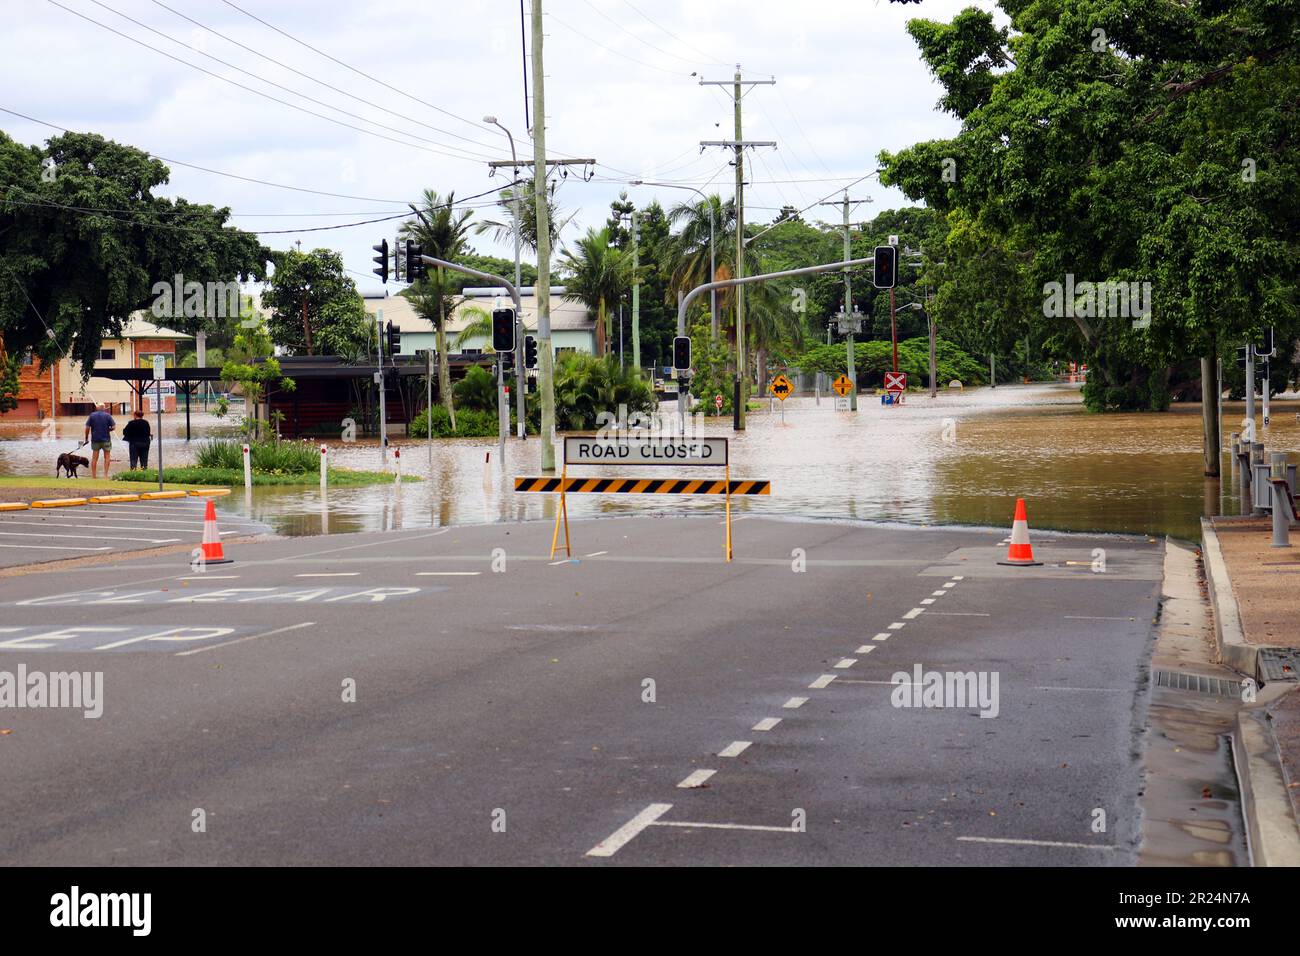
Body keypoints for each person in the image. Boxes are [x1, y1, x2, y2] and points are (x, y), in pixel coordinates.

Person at [84, 403, 116, 478]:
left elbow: (87, 428)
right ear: (104, 408)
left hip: (95, 439)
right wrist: (108, 430)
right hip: (106, 439)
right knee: (107, 457)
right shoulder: (108, 416)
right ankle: (105, 475)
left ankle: (94, 476)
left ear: (97, 408)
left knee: (94, 458)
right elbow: (114, 427)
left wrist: (86, 438)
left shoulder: (92, 415)